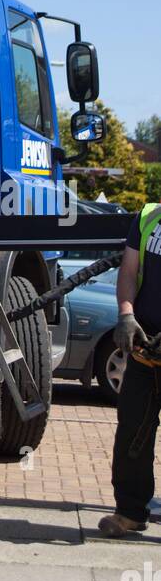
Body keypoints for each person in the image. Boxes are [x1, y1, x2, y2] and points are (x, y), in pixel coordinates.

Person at [99, 202, 161, 537]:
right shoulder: (150, 216)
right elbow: (128, 269)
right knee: (132, 435)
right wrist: (126, 314)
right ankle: (130, 512)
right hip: (145, 348)